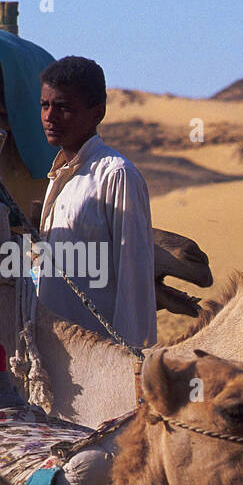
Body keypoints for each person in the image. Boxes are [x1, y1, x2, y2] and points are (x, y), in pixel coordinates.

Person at [35, 56, 155, 348]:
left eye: (63, 107)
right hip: (53, 351)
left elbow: (134, 280)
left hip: (99, 359)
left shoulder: (117, 175)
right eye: (45, 105)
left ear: (96, 113)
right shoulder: (57, 176)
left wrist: (132, 365)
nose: (50, 116)